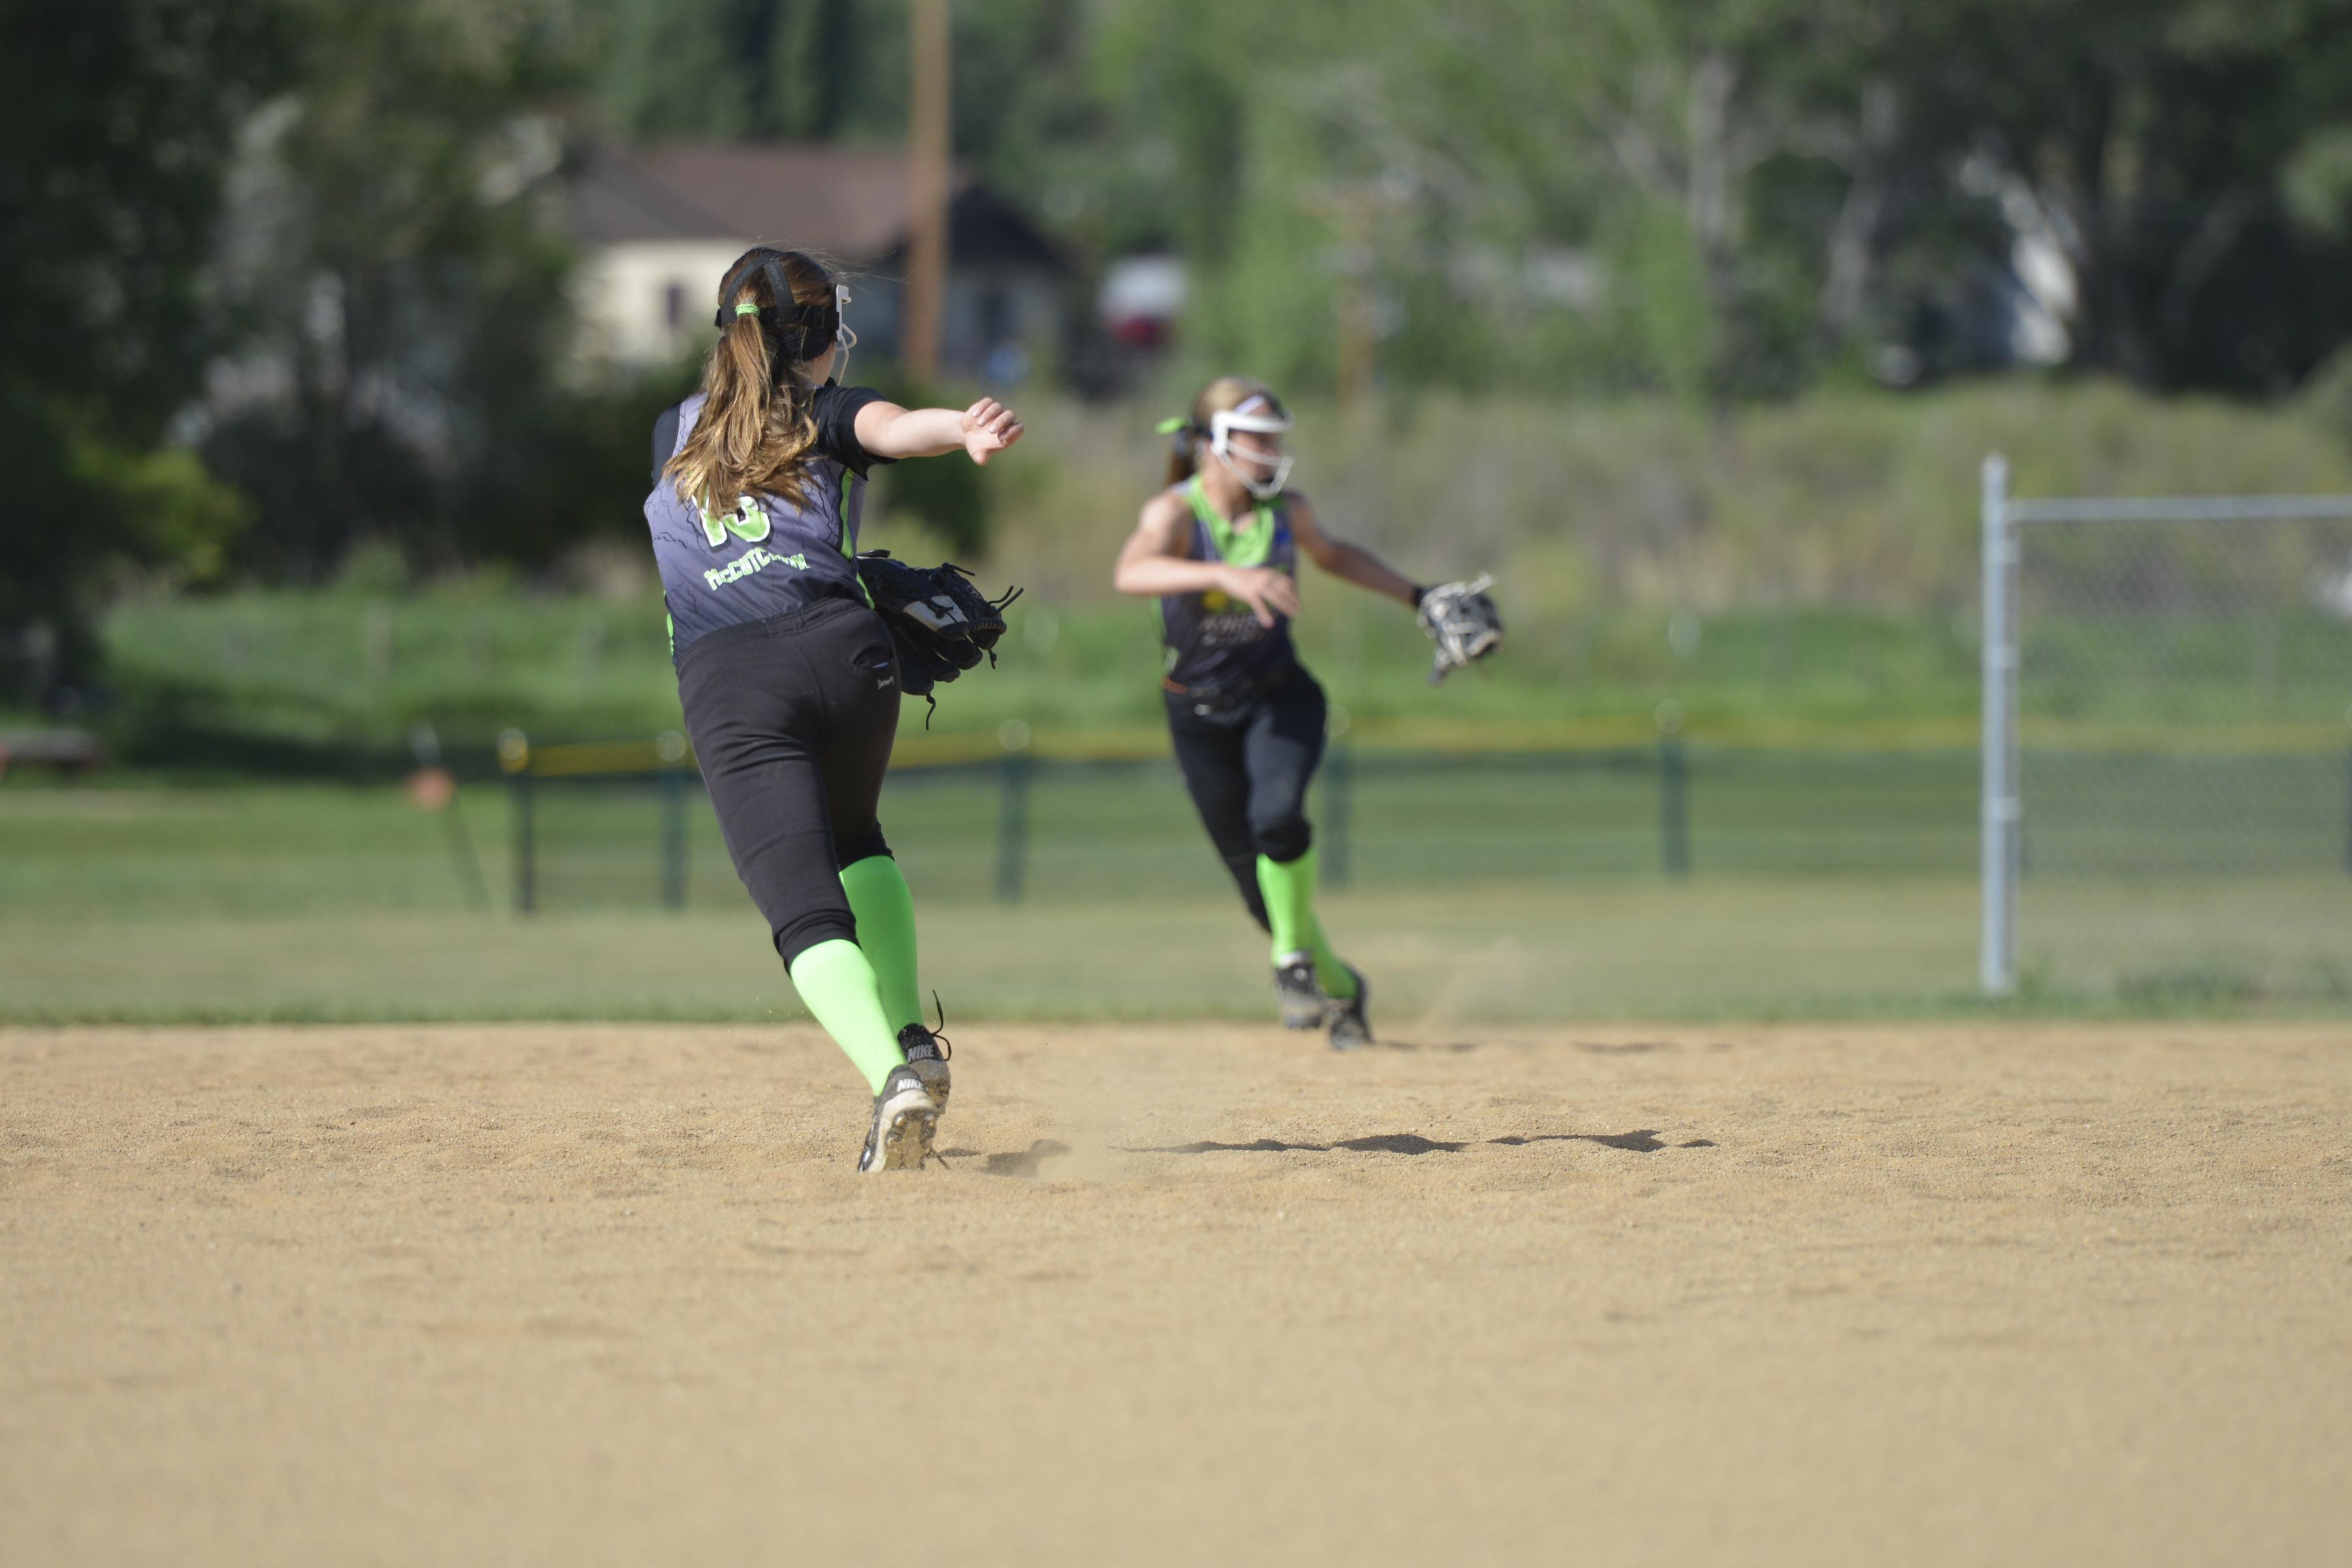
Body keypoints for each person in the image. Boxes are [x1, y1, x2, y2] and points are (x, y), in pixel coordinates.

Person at [645, 246, 1022, 1169]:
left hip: (733, 678)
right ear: (818, 343)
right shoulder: (822, 411)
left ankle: (891, 1075)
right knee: (857, 838)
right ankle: (914, 1042)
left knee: (804, 913)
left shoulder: (671, 432)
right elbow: (895, 428)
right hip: (847, 653)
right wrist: (962, 429)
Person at [1112, 376, 1430, 1048]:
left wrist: (1419, 596)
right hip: (1196, 717)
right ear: (1214, 444)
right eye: (1256, 439)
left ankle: (1292, 965)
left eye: (1274, 439)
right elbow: (1131, 572)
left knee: (1278, 821)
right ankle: (1343, 988)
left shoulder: (1287, 511)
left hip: (1279, 698)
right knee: (1263, 898)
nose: (1270, 452)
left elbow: (1335, 555)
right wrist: (1223, 574)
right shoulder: (1176, 514)